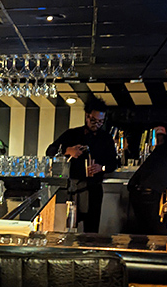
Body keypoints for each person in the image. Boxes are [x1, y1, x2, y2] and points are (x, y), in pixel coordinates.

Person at [45, 95, 118, 232]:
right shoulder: (72, 134)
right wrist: (68, 150)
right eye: (93, 120)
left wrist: (101, 168)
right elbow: (50, 151)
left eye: (100, 122)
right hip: (73, 188)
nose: (97, 124)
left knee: (92, 229)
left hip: (94, 188)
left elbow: (113, 164)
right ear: (87, 116)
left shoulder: (106, 139)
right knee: (69, 227)